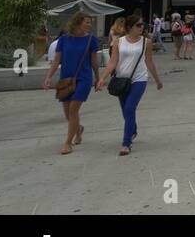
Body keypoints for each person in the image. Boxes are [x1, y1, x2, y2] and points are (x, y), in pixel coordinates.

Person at [97, 15, 164, 156]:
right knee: (126, 111)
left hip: (139, 79)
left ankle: (126, 143)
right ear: (129, 27)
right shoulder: (118, 42)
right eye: (138, 25)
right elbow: (113, 62)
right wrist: (102, 78)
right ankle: (132, 130)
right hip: (121, 79)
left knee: (129, 107)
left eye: (142, 25)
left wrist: (157, 80)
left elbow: (149, 62)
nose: (142, 27)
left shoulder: (147, 42)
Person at [42, 12, 100, 156]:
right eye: (87, 22)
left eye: (90, 22)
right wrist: (48, 77)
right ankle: (78, 129)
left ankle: (67, 143)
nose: (89, 25)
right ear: (78, 23)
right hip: (66, 79)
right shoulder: (63, 40)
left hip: (84, 78)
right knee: (68, 114)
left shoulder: (92, 40)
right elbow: (56, 61)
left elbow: (94, 61)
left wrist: (98, 78)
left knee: (73, 110)